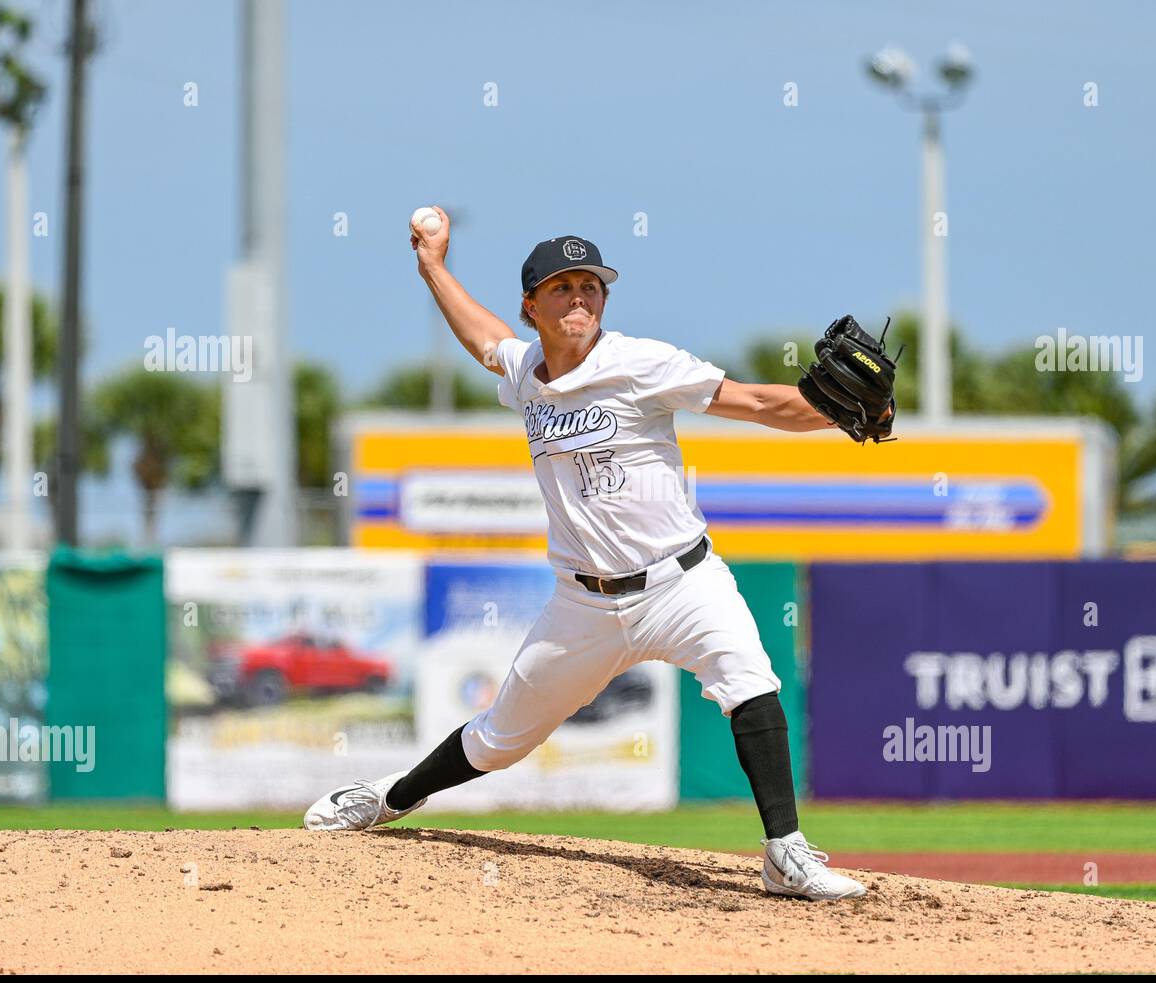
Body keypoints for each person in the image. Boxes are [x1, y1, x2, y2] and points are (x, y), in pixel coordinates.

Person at [304, 208, 874, 901]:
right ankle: (390, 796)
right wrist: (432, 266)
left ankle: (785, 853)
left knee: (749, 677)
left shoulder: (640, 363)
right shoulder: (524, 371)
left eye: (592, 286)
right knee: (498, 739)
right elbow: (485, 337)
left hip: (681, 581)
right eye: (563, 287)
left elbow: (754, 401)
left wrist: (837, 412)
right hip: (582, 604)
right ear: (532, 303)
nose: (580, 297)